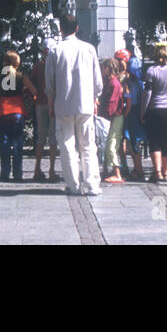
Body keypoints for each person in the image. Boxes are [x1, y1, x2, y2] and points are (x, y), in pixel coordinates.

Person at [44, 14, 103, 196]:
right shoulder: (89, 49)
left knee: (67, 146)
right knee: (88, 145)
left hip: (63, 104)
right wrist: (95, 98)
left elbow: (49, 82)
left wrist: (51, 104)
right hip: (85, 103)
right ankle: (92, 185)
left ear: (60, 28)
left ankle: (73, 185)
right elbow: (97, 80)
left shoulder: (55, 50)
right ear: (77, 28)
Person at [140, 43, 167, 183]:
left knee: (155, 141)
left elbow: (147, 93)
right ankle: (166, 172)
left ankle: (157, 172)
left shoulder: (151, 71)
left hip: (156, 108)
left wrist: (143, 111)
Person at [0, 50, 29, 182]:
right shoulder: (21, 75)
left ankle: (5, 173)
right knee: (17, 143)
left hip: (3, 110)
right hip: (17, 111)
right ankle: (18, 173)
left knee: (4, 143)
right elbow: (34, 90)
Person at [26, 49, 57, 182]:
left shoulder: (38, 66)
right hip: (53, 103)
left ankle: (37, 169)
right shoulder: (56, 65)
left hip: (40, 103)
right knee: (53, 136)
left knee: (40, 136)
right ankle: (51, 170)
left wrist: (35, 93)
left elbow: (30, 81)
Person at [98, 57, 127, 183]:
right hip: (111, 116)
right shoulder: (109, 81)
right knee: (106, 143)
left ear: (108, 68)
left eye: (103, 67)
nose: (101, 70)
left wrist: (104, 114)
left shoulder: (114, 83)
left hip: (114, 116)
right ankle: (106, 170)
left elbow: (112, 102)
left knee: (111, 144)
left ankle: (117, 173)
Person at [121, 51, 146, 181]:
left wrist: (125, 115)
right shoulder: (141, 83)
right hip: (139, 111)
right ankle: (138, 168)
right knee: (135, 142)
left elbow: (129, 101)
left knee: (133, 143)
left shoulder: (129, 84)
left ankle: (138, 169)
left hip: (132, 113)